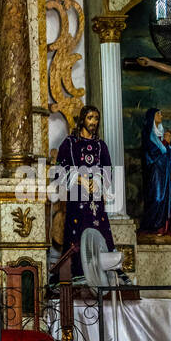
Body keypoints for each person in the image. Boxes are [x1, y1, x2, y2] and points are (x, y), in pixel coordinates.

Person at [56, 104, 116, 271]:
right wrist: (80, 179)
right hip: (76, 199)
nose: (93, 122)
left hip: (96, 200)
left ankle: (102, 272)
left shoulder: (100, 145)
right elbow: (58, 170)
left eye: (96, 118)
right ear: (82, 119)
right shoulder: (69, 143)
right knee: (78, 233)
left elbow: (109, 170)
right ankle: (78, 272)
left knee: (99, 232)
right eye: (90, 118)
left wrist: (97, 181)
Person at [139, 107, 171, 236]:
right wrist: (166, 144)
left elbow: (169, 152)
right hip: (155, 173)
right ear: (152, 117)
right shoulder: (148, 135)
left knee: (165, 198)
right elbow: (151, 154)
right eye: (158, 114)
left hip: (165, 174)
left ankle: (162, 227)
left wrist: (170, 144)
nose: (161, 116)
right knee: (156, 198)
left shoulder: (161, 134)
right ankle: (152, 226)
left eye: (161, 114)